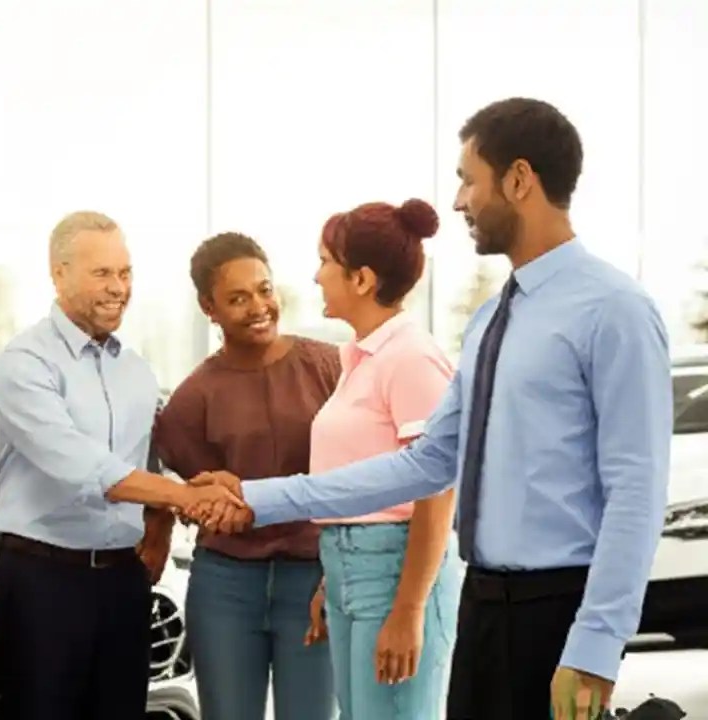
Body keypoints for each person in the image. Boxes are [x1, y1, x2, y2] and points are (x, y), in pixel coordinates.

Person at [191, 97, 673, 720]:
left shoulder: (615, 310)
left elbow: (636, 488)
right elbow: (425, 464)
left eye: (469, 179)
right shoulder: (491, 321)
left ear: (520, 179)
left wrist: (596, 646)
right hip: (481, 603)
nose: (458, 201)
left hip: (559, 613)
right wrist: (256, 497)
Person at [0, 210, 241, 720]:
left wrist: (175, 503)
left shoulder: (137, 372)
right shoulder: (24, 363)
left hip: (123, 583)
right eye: (101, 273)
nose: (118, 288)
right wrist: (187, 498)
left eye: (125, 273)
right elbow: (83, 465)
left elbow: (143, 463)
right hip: (43, 583)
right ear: (58, 274)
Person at [153, 232, 340, 719]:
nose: (259, 306)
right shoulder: (191, 400)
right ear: (208, 307)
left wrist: (338, 575)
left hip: (314, 579)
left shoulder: (329, 368)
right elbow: (190, 493)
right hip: (226, 587)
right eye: (238, 298)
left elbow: (359, 478)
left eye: (265, 289)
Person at [306, 198, 461, 719]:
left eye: (325, 261)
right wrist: (334, 580)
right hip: (351, 567)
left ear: (362, 279)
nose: (316, 275)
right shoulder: (360, 357)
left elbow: (437, 490)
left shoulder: (411, 357)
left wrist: (409, 609)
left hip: (397, 572)